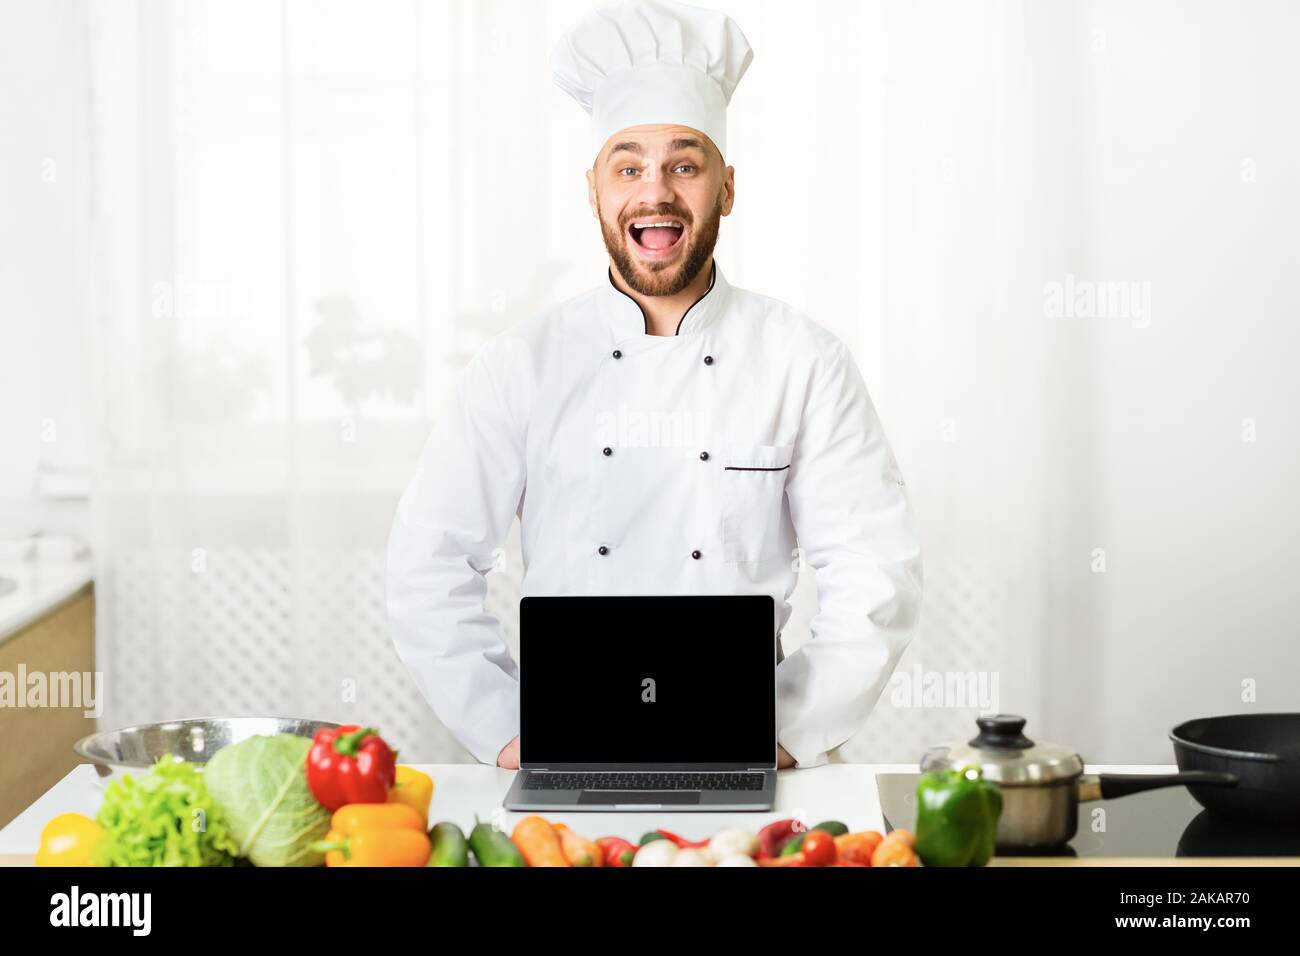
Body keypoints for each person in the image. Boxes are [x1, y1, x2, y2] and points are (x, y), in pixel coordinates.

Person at [387, 0, 923, 771]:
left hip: (748, 747)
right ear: (595, 189)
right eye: (629, 166)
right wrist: (508, 731)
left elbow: (875, 568)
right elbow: (427, 562)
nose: (655, 192)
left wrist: (791, 732)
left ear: (726, 188)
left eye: (684, 164)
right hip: (563, 749)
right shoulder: (521, 366)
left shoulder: (803, 361)